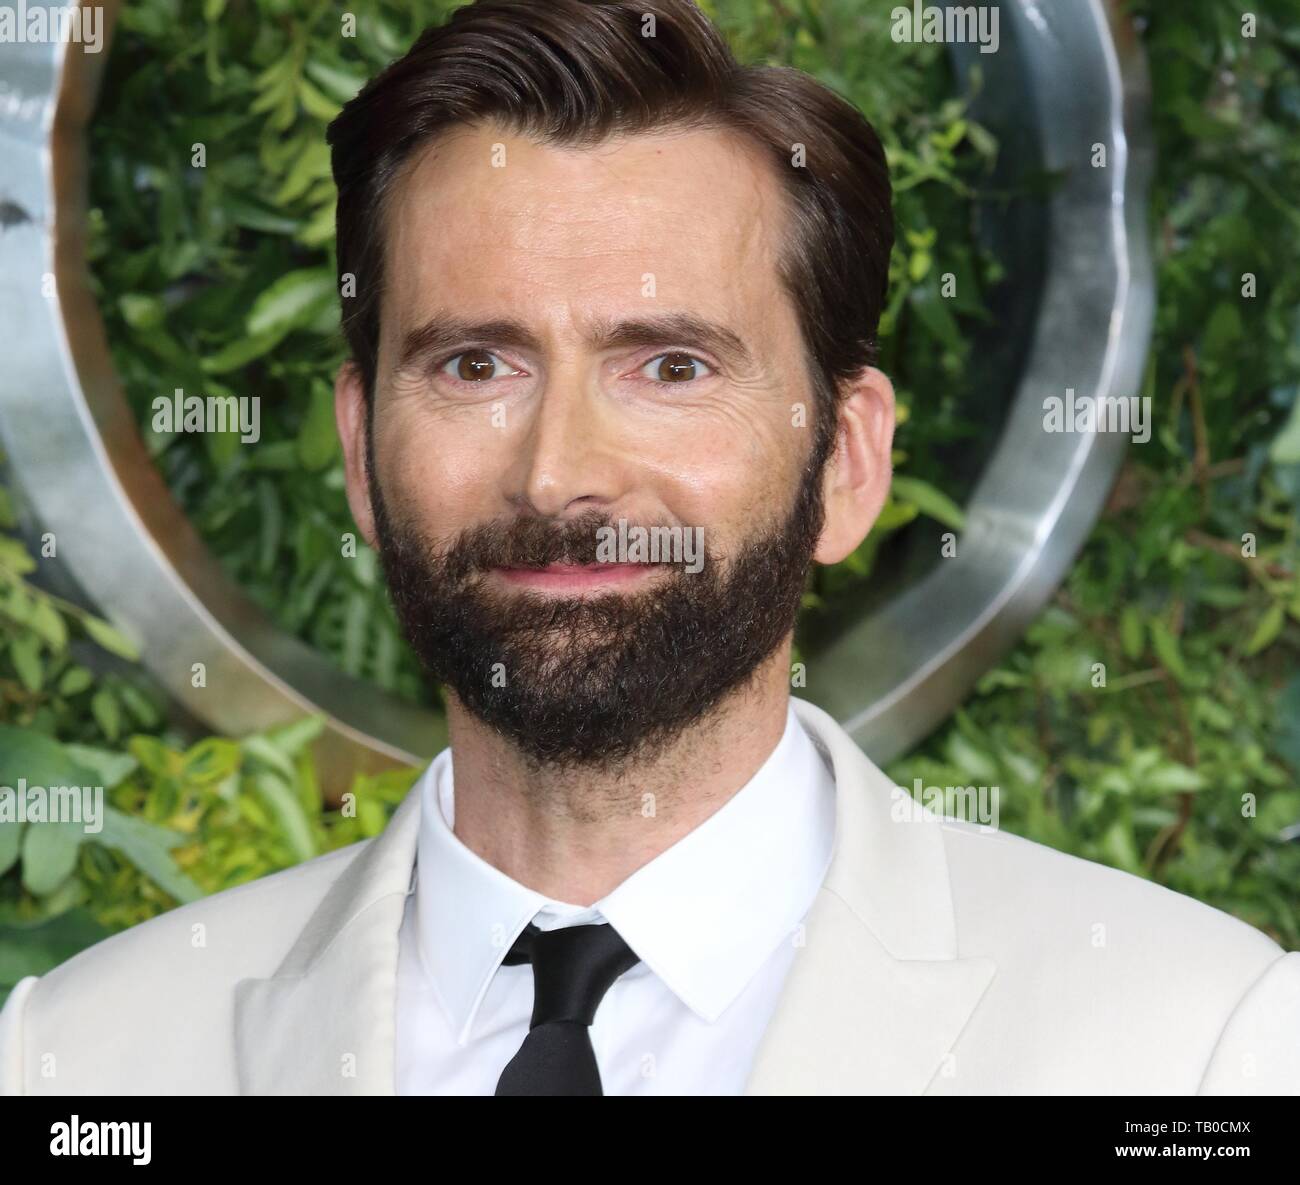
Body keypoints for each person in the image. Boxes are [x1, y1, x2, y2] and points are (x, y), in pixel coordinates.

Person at [2, 0, 1295, 1096]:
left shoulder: (1192, 1045)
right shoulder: (85, 1061)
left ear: (848, 460)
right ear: (359, 452)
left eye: (670, 365)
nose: (559, 471)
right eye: (473, 363)